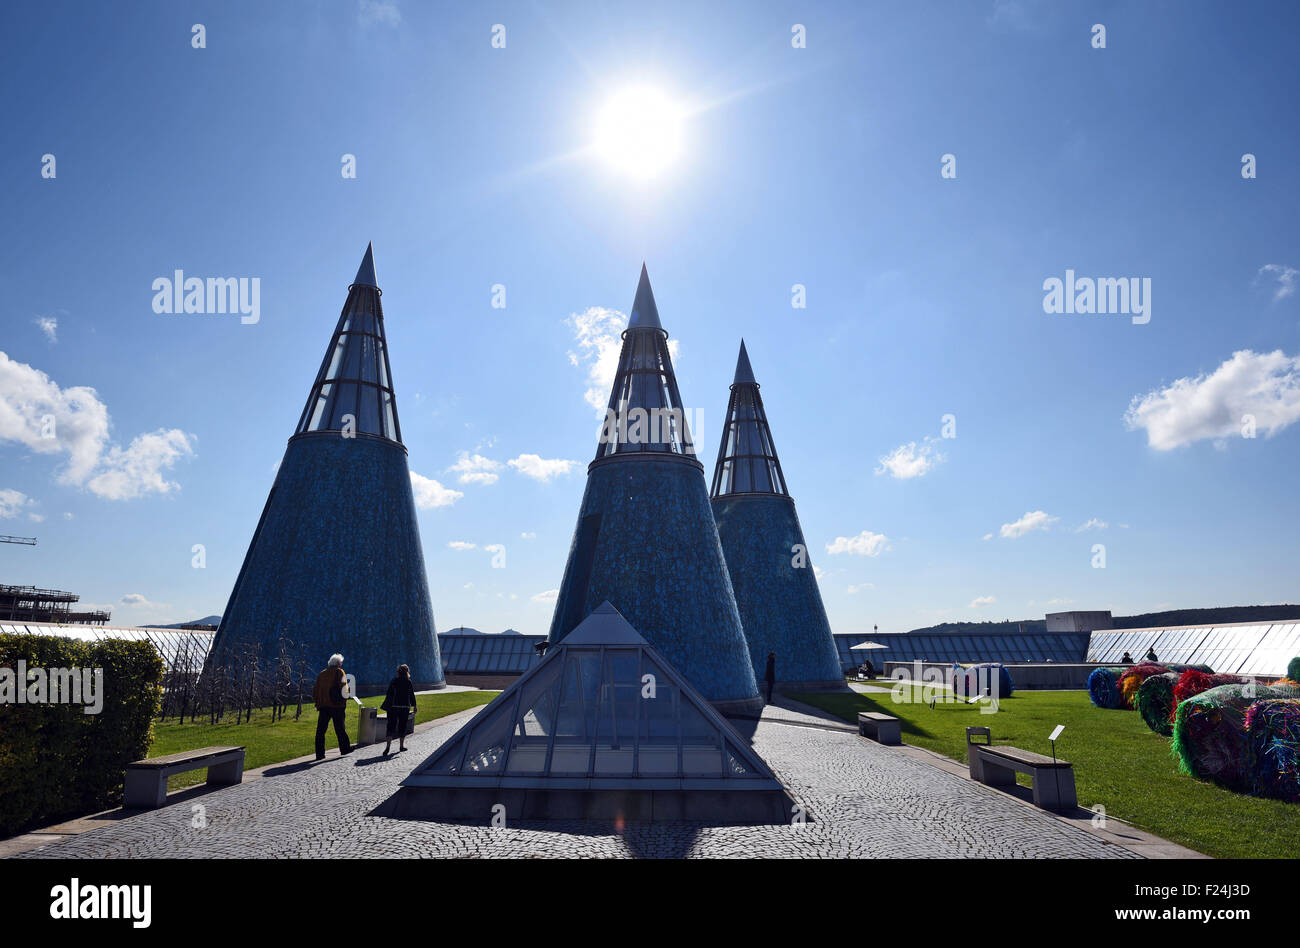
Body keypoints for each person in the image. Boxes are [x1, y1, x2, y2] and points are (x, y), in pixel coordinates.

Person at [312, 653, 353, 760]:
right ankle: (345, 748)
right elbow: (344, 689)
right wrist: (344, 701)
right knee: (340, 728)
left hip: (324, 706)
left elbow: (315, 690)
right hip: (337, 706)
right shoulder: (339, 672)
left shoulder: (322, 674)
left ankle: (319, 754)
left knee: (321, 731)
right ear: (338, 663)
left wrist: (318, 703)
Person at [382, 664, 418, 755]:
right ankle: (401, 746)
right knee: (402, 726)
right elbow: (411, 695)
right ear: (407, 672)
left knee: (391, 726)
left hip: (393, 707)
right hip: (404, 707)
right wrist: (414, 705)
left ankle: (388, 747)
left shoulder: (394, 681)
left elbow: (389, 694)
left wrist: (387, 706)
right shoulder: (408, 682)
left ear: (398, 672)